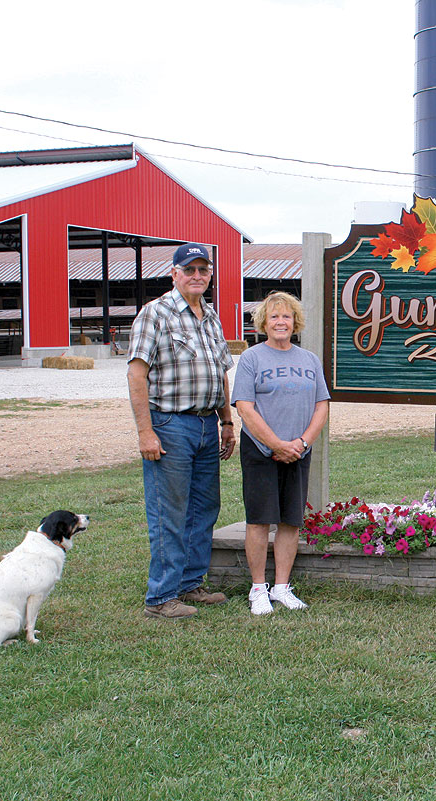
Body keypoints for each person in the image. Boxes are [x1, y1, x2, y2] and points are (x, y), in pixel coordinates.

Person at [127, 243, 237, 619]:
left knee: (204, 508)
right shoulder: (154, 314)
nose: (197, 275)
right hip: (170, 424)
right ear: (174, 273)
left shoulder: (211, 316)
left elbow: (220, 372)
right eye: (188, 269)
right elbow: (136, 373)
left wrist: (226, 421)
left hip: (208, 423)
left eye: (203, 270)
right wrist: (145, 431)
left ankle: (191, 584)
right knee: (169, 512)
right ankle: (161, 597)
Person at [231, 291, 329, 615]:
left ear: (295, 321)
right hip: (261, 450)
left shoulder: (309, 360)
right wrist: (276, 444)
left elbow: (321, 405)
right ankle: (258, 589)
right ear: (264, 322)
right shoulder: (252, 358)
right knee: (260, 520)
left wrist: (300, 444)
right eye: (274, 316)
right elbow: (245, 407)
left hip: (298, 451)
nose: (280, 322)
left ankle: (282, 588)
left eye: (286, 316)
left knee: (290, 520)